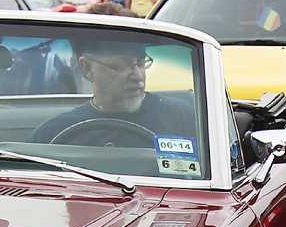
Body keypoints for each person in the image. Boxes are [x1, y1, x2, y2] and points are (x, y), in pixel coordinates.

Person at [32, 30, 189, 149]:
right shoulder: (52, 135)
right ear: (86, 68)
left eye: (141, 63)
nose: (137, 76)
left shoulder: (184, 119)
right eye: (119, 65)